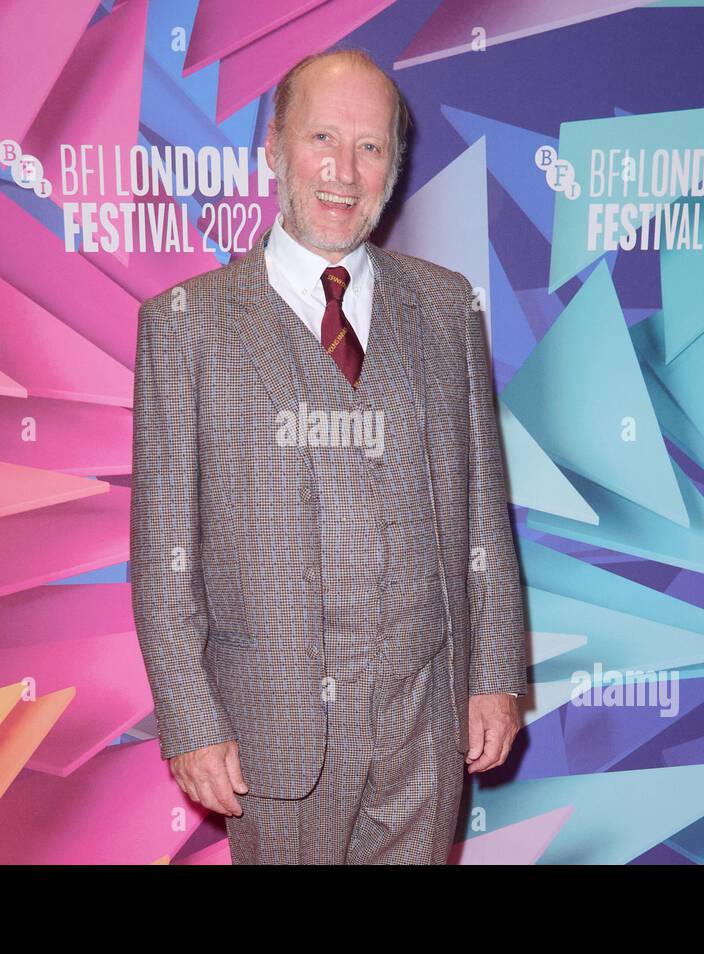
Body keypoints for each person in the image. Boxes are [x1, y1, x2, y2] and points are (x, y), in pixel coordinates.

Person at [130, 46, 526, 864]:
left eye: (372, 146)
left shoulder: (448, 308)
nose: (345, 170)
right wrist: (191, 719)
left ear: (394, 165)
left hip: (426, 723)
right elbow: (163, 555)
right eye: (322, 139)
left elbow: (485, 508)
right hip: (272, 733)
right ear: (274, 148)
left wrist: (495, 673)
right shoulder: (188, 325)